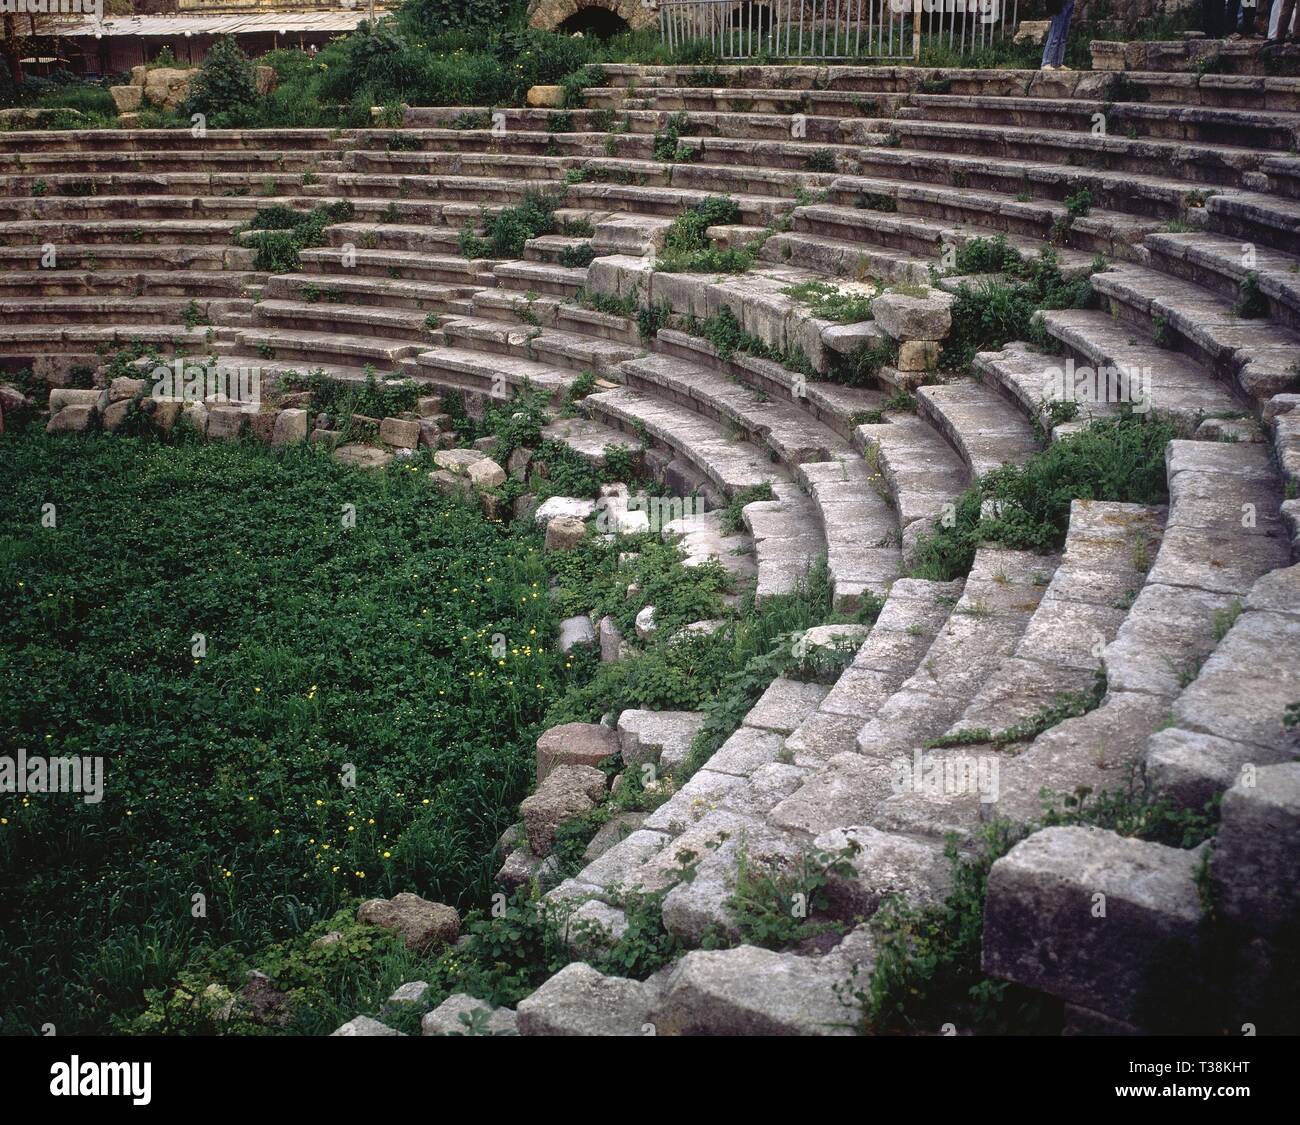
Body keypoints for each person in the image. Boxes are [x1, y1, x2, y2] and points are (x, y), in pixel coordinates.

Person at [1041, 0, 1075, 71]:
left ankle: (1057, 63)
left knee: (1063, 36)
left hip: (1069, 2)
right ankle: (1046, 62)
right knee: (1055, 34)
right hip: (1059, 4)